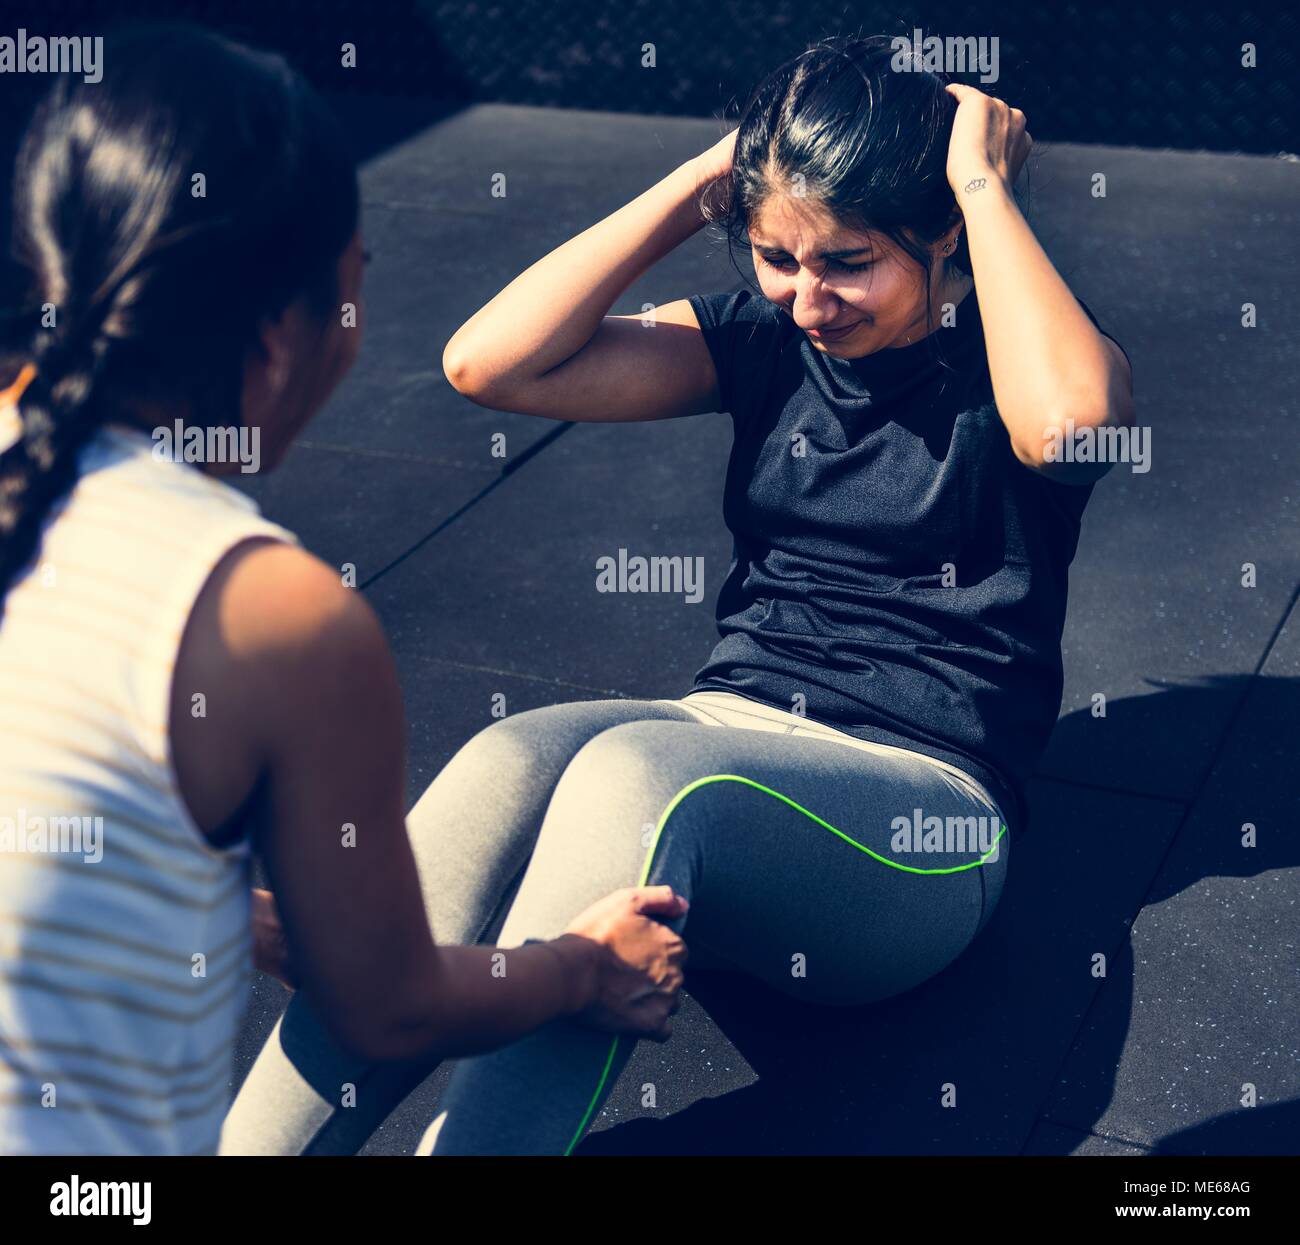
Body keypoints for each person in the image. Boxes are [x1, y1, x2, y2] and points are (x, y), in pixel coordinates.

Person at [224, 33, 1134, 1156]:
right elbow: (487, 365)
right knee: (509, 760)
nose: (809, 300)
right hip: (730, 741)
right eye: (776, 257)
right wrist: (705, 183)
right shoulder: (760, 344)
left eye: (849, 261)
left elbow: (1075, 429)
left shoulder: (1017, 358)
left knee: (638, 776)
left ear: (942, 230)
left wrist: (983, 180)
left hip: (919, 815)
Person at [0, 22, 686, 1157]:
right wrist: (579, 967)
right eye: (354, 293)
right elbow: (392, 1008)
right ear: (280, 334)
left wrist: (235, 913)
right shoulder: (276, 618)